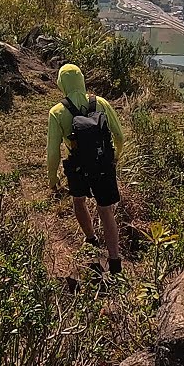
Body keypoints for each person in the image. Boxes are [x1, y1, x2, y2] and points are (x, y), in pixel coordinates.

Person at [47, 63, 125, 275]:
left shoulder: (57, 112)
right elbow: (119, 136)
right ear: (82, 79)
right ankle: (115, 260)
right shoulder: (100, 103)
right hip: (103, 164)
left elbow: (53, 152)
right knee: (105, 210)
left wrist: (53, 180)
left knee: (78, 201)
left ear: (61, 83)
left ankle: (91, 239)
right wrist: (115, 157)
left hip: (78, 166)